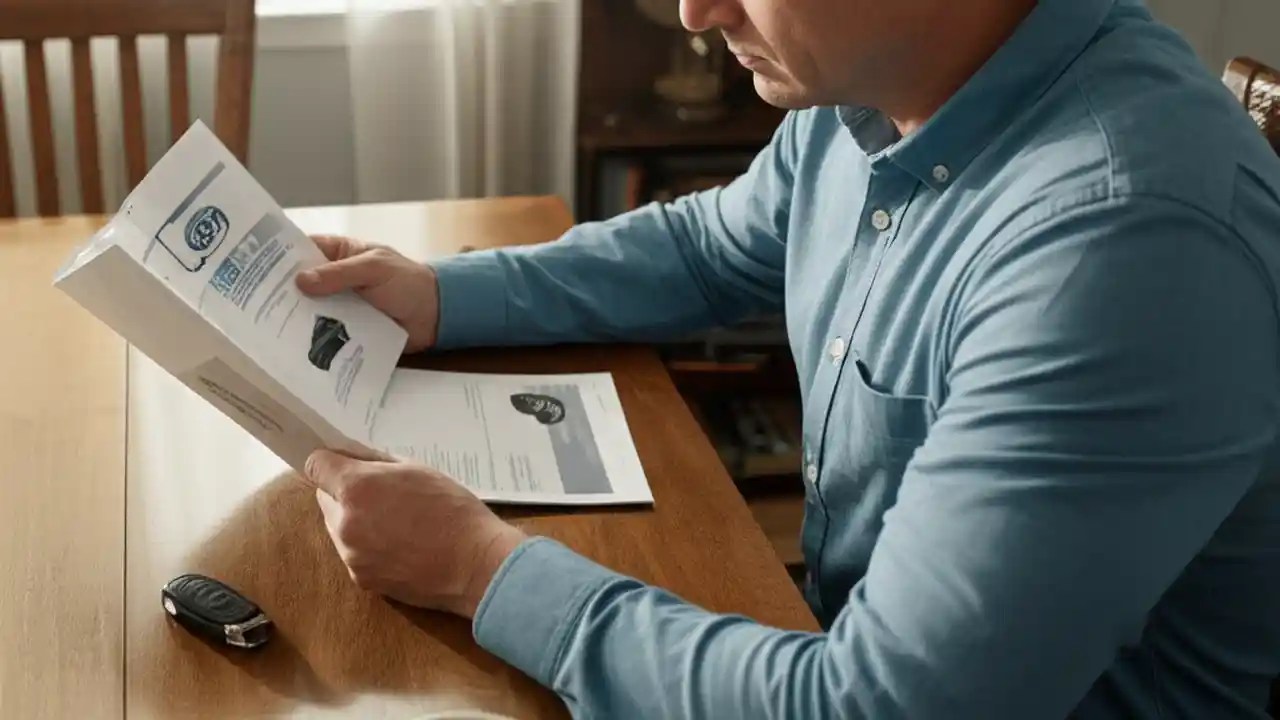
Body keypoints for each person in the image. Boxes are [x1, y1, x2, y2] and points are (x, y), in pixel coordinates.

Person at [294, 0, 1280, 717]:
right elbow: (709, 248)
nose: (694, 12)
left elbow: (880, 707)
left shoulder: (1121, 245)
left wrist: (479, 570)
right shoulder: (878, 88)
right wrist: (439, 296)